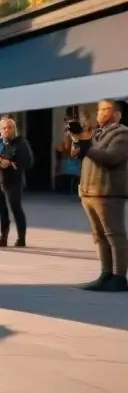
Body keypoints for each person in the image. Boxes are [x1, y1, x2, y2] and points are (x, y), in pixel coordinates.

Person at [71, 99, 128, 292]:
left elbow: (112, 158)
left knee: (114, 234)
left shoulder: (122, 133)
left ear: (117, 114)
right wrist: (77, 138)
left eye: (106, 109)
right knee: (99, 235)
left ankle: (119, 276)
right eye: (99, 109)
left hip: (108, 192)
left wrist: (87, 145)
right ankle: (106, 274)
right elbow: (76, 153)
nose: (100, 113)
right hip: (89, 191)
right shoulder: (95, 133)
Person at [0, 116, 33, 247]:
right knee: (2, 210)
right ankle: (3, 237)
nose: (7, 130)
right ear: (0, 129)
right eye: (4, 128)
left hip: (13, 180)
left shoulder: (20, 143)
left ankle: (21, 238)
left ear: (14, 129)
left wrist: (10, 162)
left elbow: (28, 161)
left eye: (10, 127)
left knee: (16, 208)